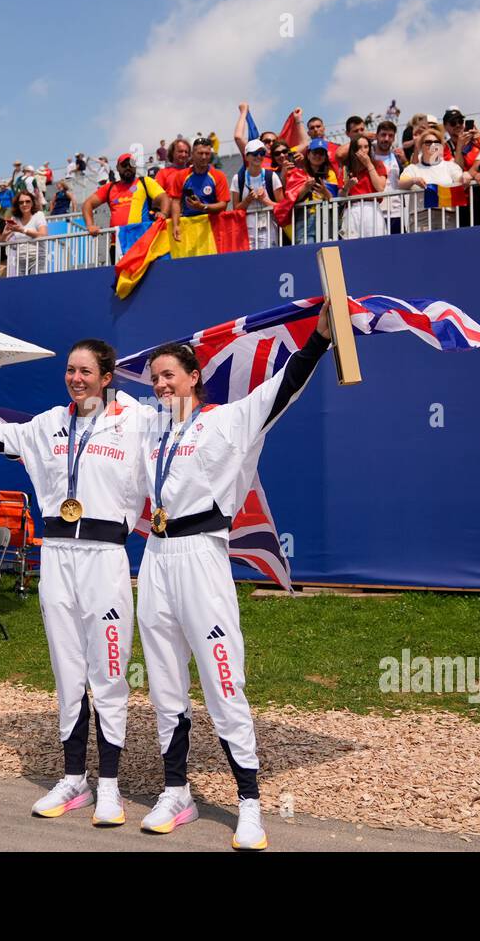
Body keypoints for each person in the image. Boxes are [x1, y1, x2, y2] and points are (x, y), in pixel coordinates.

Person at [135, 298, 334, 850]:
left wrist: (317, 339)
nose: (160, 385)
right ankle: (177, 791)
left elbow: (284, 388)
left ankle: (250, 804)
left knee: (223, 681)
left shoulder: (229, 420)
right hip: (155, 558)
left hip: (202, 555)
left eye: (169, 375)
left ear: (194, 377)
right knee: (164, 682)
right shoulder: (148, 429)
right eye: (155, 378)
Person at [0, 340, 150, 826]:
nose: (75, 378)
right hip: (59, 558)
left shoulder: (136, 423)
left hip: (105, 558)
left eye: (85, 371)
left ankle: (109, 786)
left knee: (110, 673)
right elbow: (0, 436)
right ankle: (74, 781)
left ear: (106, 376)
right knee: (68, 673)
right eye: (70, 370)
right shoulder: (49, 424)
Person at [398, 125, 477, 230]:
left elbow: (460, 179)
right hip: (421, 217)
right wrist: (413, 180)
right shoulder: (412, 169)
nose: (433, 145)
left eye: (436, 142)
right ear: (421, 146)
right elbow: (400, 184)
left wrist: (465, 176)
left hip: (448, 215)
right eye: (428, 142)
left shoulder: (450, 166)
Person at [82, 153, 167, 236]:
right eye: (124, 164)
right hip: (117, 244)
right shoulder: (109, 187)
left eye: (131, 164)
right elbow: (87, 204)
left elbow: (164, 198)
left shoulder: (145, 181)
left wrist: (163, 213)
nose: (128, 167)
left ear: (135, 166)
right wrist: (90, 225)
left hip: (141, 242)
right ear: (117, 168)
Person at [169, 137, 230, 244]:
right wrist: (175, 225)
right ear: (192, 154)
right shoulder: (181, 176)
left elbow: (223, 205)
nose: (204, 157)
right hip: (189, 227)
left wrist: (202, 207)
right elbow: (175, 202)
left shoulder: (219, 176)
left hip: (213, 227)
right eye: (200, 153)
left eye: (207, 153)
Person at [230, 139, 283, 249]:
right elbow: (235, 209)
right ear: (246, 156)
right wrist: (247, 200)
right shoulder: (238, 179)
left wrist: (264, 199)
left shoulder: (272, 176)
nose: (258, 156)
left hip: (269, 229)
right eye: (255, 153)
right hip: (246, 231)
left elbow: (282, 207)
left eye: (262, 153)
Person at [341, 134, 388, 238]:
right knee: (351, 247)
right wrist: (347, 187)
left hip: (372, 208)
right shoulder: (346, 168)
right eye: (359, 147)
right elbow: (341, 196)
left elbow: (380, 188)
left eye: (366, 147)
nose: (363, 150)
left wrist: (369, 165)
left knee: (376, 244)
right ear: (353, 150)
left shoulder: (377, 164)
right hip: (352, 210)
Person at [4, 191, 48, 276]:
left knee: (35, 286)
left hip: (37, 258)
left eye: (28, 201)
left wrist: (23, 230)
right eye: (21, 202)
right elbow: (3, 240)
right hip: (20, 260)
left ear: (32, 203)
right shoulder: (14, 219)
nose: (24, 204)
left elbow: (43, 235)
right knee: (23, 288)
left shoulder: (39, 215)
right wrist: (5, 234)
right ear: (18, 205)